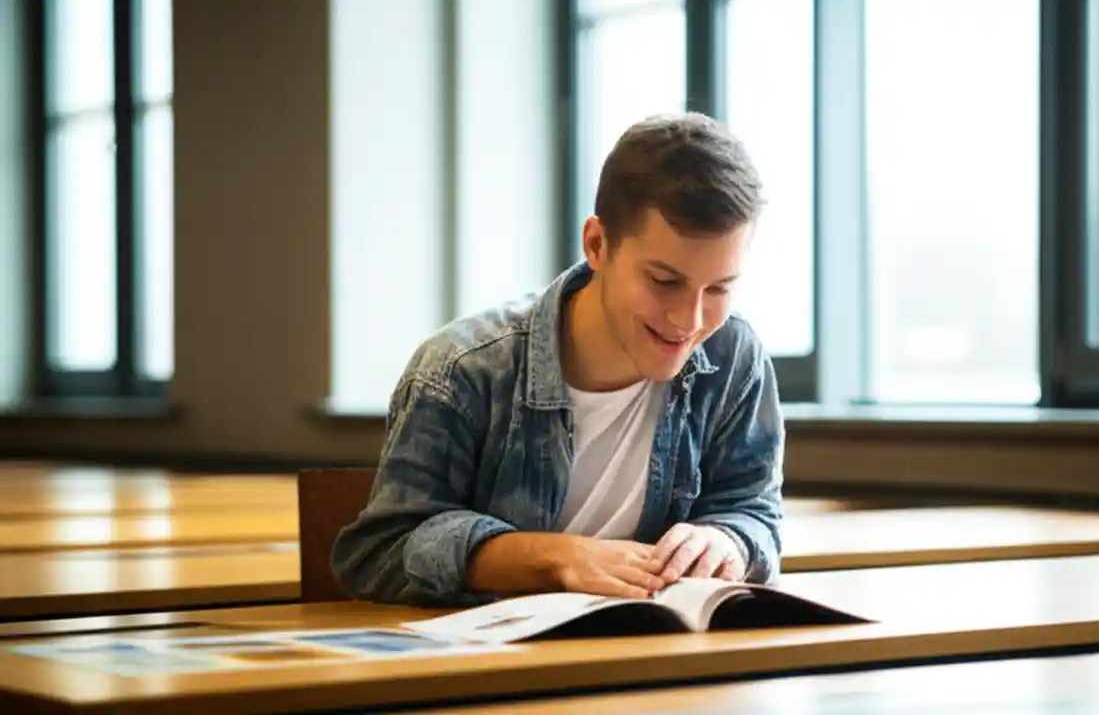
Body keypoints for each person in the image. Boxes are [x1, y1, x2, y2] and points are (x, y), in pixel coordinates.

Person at [331, 112, 784, 606]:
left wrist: (729, 540)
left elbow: (752, 511)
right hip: (488, 668)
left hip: (660, 659)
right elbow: (377, 555)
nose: (689, 319)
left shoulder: (735, 357)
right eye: (664, 281)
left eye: (719, 288)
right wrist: (553, 559)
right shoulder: (462, 369)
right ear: (596, 244)